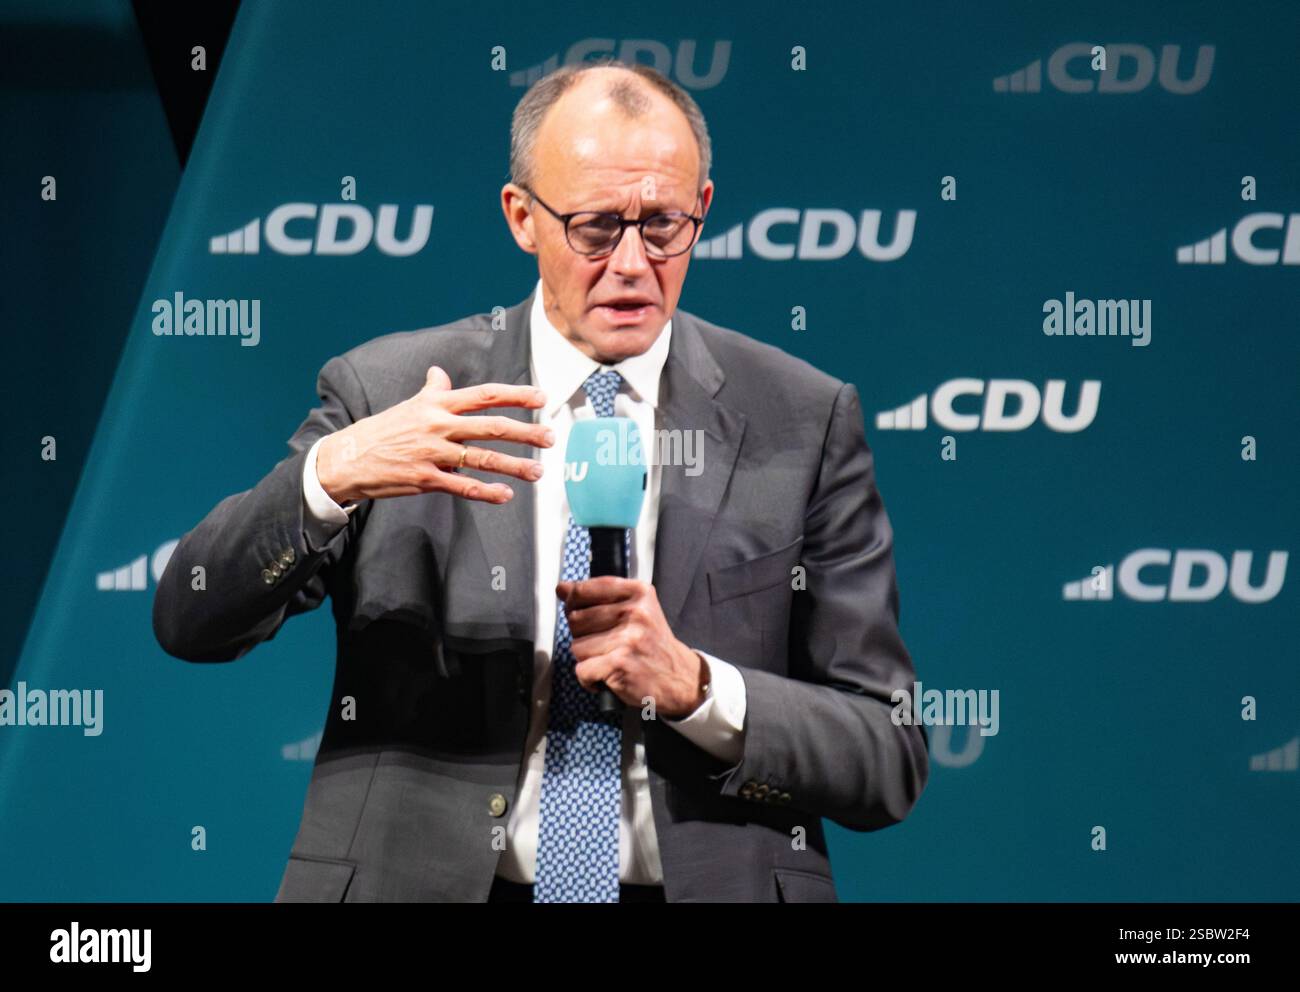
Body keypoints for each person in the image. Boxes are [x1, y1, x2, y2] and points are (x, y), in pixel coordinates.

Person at [153, 59, 928, 903]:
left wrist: (699, 688)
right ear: (522, 217)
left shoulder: (801, 419)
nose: (633, 263)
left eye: (663, 224)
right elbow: (191, 617)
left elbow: (887, 755)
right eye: (596, 228)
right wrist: (329, 477)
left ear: (703, 210)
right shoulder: (393, 392)